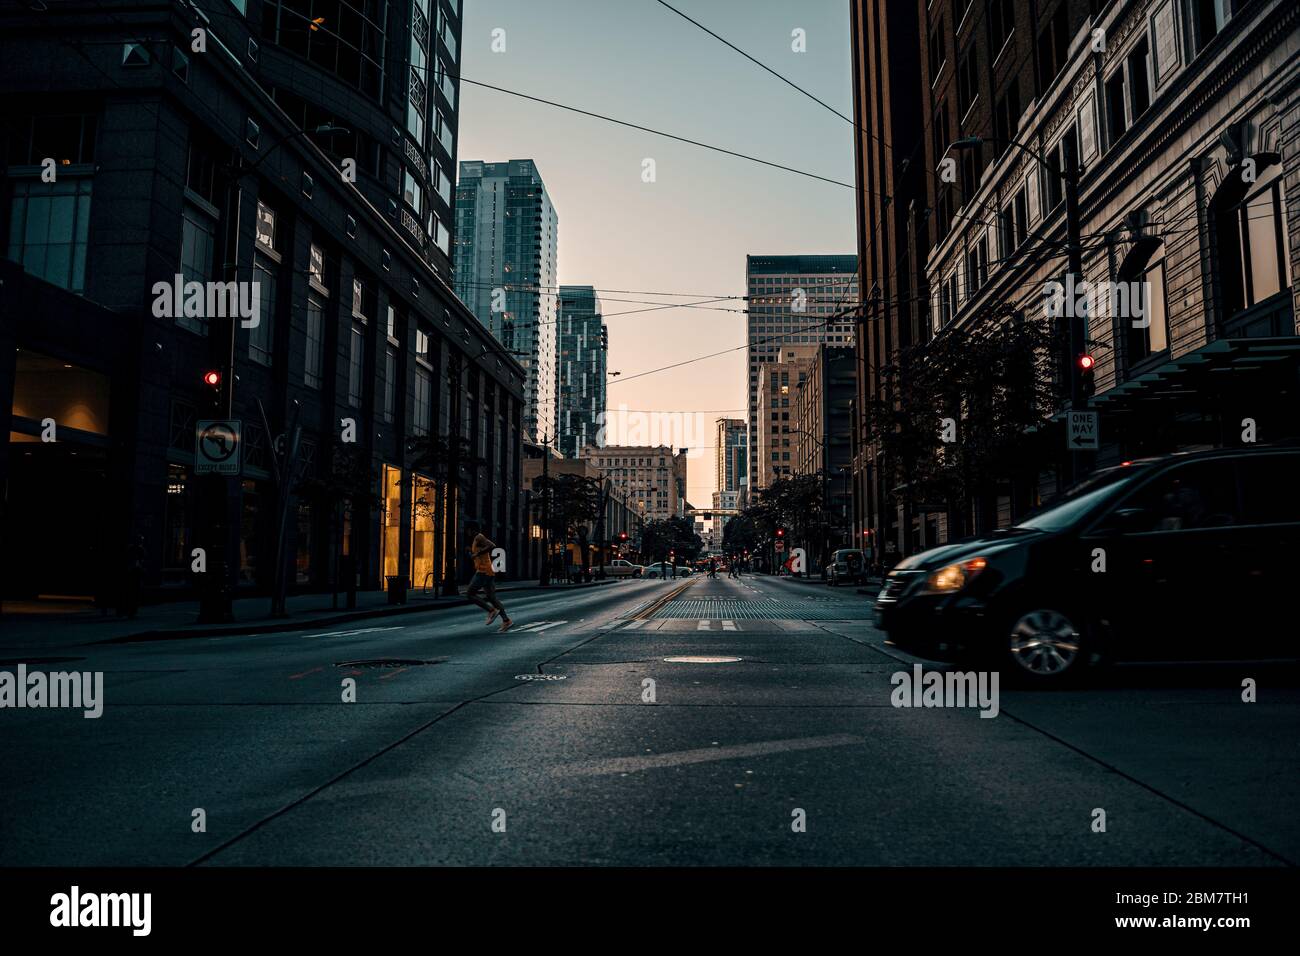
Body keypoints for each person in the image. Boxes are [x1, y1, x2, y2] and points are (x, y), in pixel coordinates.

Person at [465, 524, 512, 632]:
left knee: (470, 594)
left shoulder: (479, 537)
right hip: (488, 571)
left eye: (468, 530)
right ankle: (506, 620)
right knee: (491, 597)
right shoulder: (477, 539)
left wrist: (476, 553)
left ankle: (491, 610)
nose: (467, 532)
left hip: (483, 571)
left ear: (472, 530)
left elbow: (492, 545)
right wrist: (472, 553)